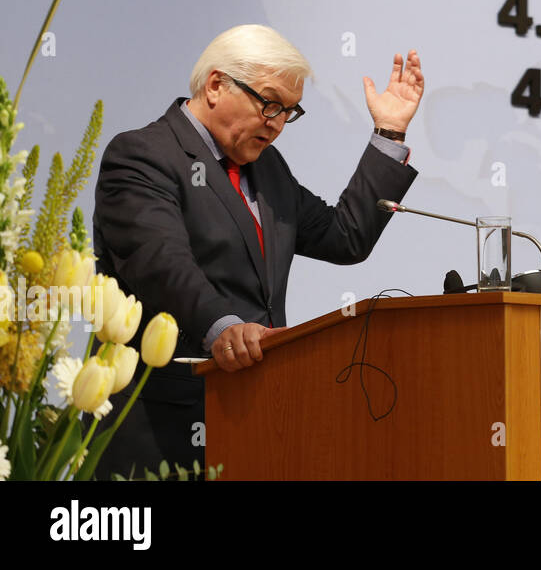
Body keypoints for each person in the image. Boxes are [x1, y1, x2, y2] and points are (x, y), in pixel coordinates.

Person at [90, 24, 423, 477]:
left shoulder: (268, 169)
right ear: (215, 85)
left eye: (289, 111)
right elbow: (161, 264)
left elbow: (345, 237)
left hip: (260, 417)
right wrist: (223, 328)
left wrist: (390, 132)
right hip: (162, 424)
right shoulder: (142, 155)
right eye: (268, 103)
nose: (277, 123)